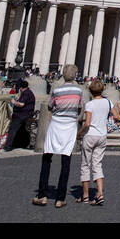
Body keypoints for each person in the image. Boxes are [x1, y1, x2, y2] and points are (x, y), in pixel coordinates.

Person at [33, 78, 84, 207]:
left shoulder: (56, 90)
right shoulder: (78, 91)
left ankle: (42, 195)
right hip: (70, 127)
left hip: (56, 125)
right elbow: (79, 109)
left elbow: (50, 106)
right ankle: (60, 198)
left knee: (46, 159)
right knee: (66, 162)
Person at [79, 80, 110, 206]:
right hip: (102, 136)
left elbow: (87, 123)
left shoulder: (90, 104)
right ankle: (100, 193)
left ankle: (85, 196)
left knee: (86, 164)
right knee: (97, 164)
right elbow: (117, 116)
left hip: (90, 135)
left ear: (90, 91)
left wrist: (79, 133)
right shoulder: (108, 102)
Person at [3, 79, 37, 151]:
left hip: (22, 115)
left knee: (12, 129)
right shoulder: (29, 92)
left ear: (21, 88)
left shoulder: (26, 93)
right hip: (27, 114)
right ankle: (21, 143)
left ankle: (8, 145)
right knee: (21, 129)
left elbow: (21, 104)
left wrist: (13, 102)